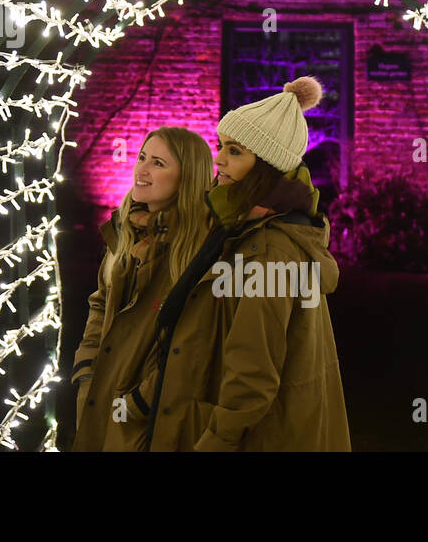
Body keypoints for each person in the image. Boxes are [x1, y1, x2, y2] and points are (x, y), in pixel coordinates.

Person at [124, 76, 352, 451]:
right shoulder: (239, 228)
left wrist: (215, 441)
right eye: (220, 146)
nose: (219, 158)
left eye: (235, 151)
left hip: (258, 436)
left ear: (266, 166)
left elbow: (254, 373)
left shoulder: (269, 249)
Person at [70, 126, 214, 452]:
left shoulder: (197, 251)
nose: (142, 170)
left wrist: (139, 402)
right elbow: (100, 304)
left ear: (186, 178)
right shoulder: (126, 233)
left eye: (159, 163)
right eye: (142, 157)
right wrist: (85, 374)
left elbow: (195, 343)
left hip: (149, 415)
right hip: (99, 394)